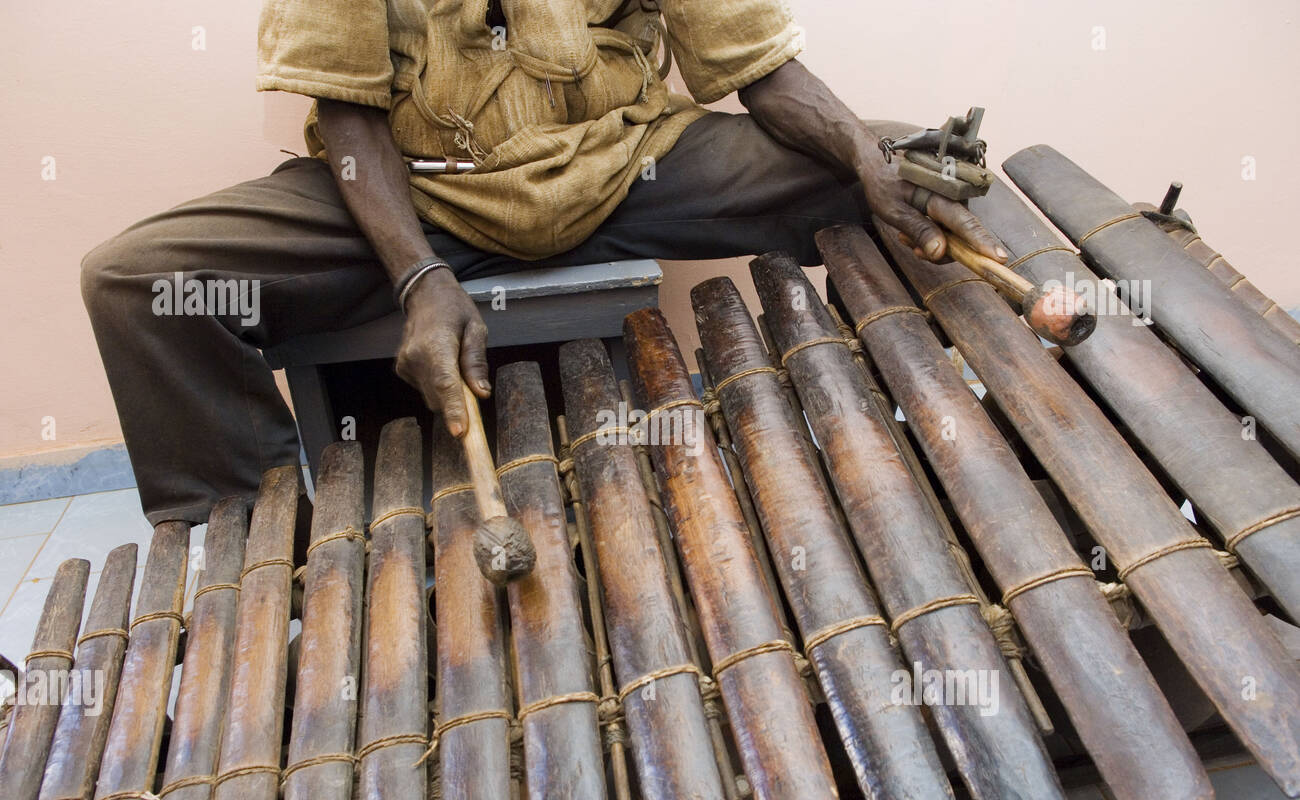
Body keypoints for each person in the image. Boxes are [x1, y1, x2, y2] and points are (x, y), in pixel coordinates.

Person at [82, 0, 1005, 535]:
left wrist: (862, 155)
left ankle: (922, 477)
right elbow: (347, 114)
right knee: (139, 282)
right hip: (418, 197)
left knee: (913, 173)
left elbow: (762, 69)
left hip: (624, 165)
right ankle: (261, 578)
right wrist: (416, 277)